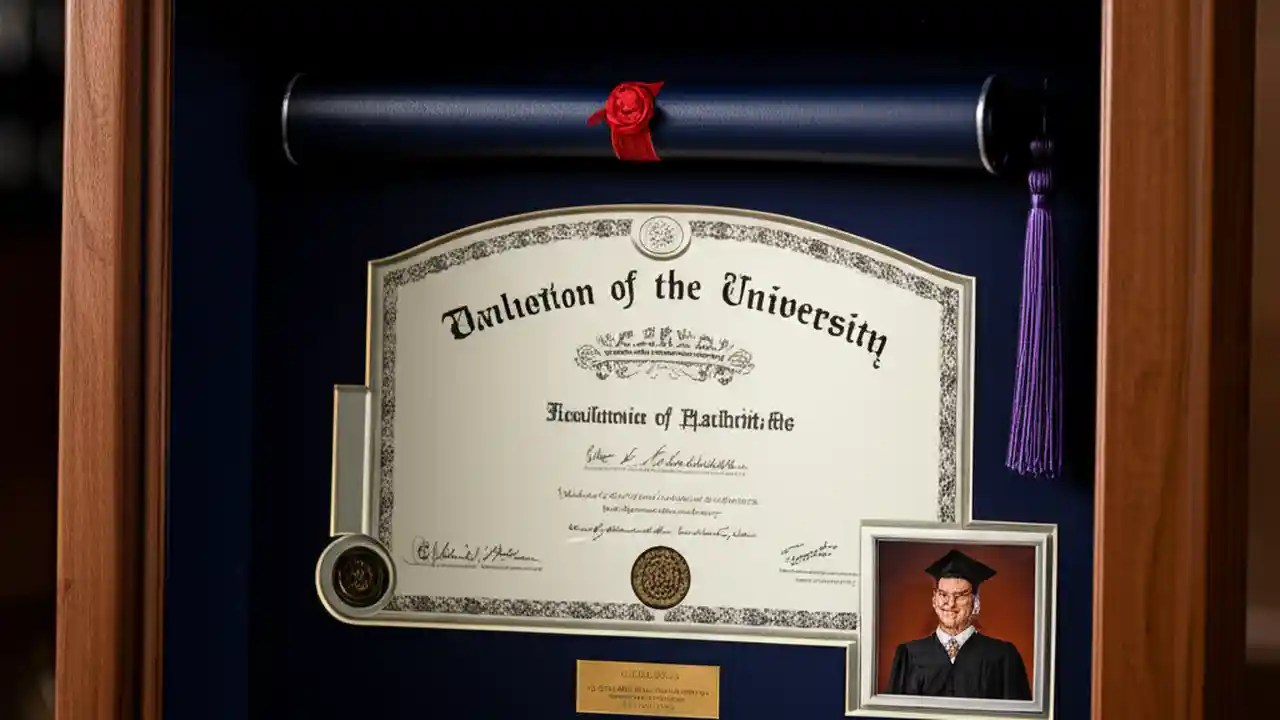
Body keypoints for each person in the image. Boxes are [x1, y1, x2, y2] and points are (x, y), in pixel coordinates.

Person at [886, 548, 1032, 700]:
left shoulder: (1003, 657)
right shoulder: (908, 654)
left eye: (960, 596)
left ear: (975, 603)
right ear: (934, 600)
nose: (950, 604)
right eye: (943, 595)